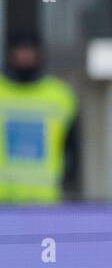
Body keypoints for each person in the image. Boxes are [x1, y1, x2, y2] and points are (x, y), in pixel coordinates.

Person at [0, 31, 80, 203]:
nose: (24, 56)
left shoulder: (60, 96)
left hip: (44, 201)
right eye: (19, 51)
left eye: (29, 51)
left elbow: (73, 149)